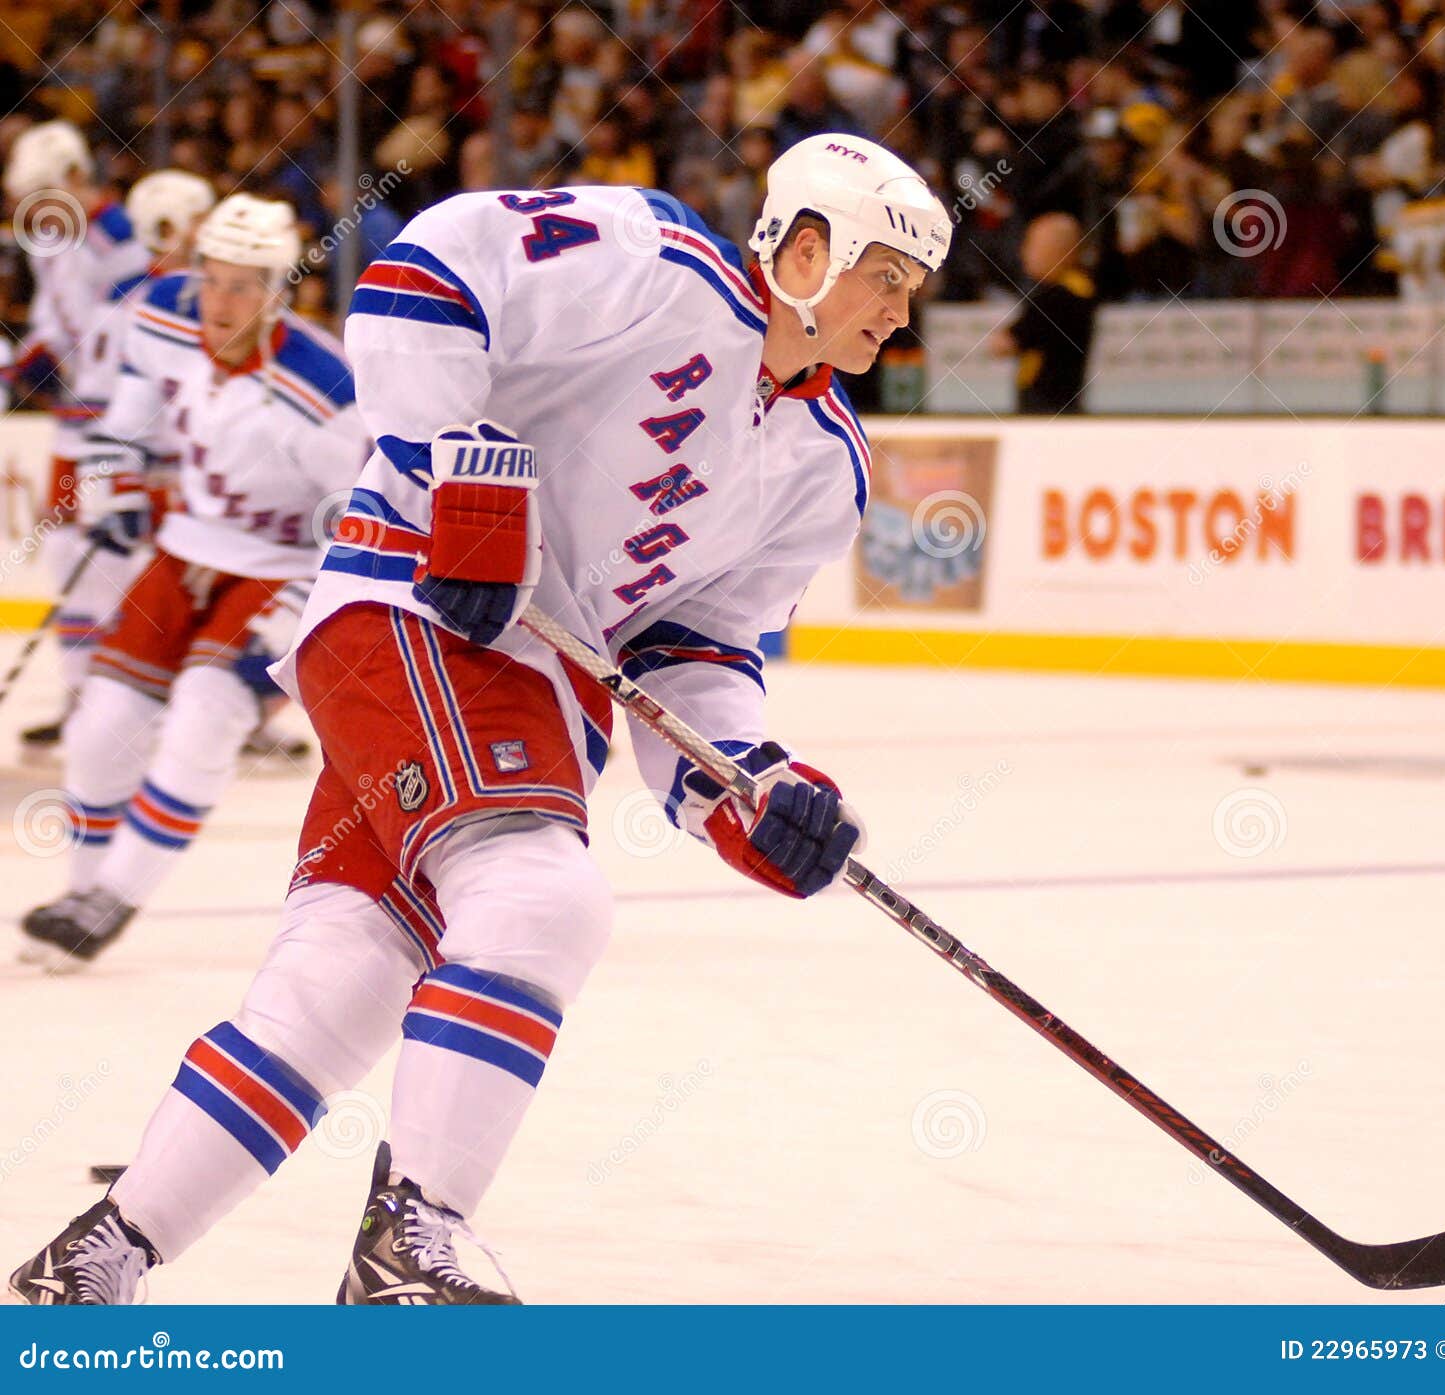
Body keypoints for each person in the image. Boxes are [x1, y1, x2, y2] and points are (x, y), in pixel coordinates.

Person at [9, 132, 952, 1305]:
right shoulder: (653, 261)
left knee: (335, 988)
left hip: (528, 689)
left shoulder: (824, 467)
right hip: (407, 611)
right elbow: (425, 277)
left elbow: (691, 653)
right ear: (804, 249)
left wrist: (744, 781)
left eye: (908, 293)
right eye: (886, 279)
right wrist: (460, 467)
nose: (897, 317)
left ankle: (94, 1257)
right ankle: (412, 1239)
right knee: (540, 896)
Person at [17, 193, 367, 972]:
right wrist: (120, 496)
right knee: (102, 720)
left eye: (245, 285)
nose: (221, 300)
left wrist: (315, 607)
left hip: (287, 567)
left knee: (207, 712)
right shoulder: (164, 314)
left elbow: (365, 511)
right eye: (214, 279)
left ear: (279, 288)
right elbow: (128, 415)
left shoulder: (325, 388)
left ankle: (112, 900)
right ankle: (77, 895)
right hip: (187, 549)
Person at [2, 121, 150, 747]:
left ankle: (133, 702)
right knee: (65, 553)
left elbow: (130, 337)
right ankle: (80, 699)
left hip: (120, 420)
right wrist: (15, 371)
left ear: (71, 178)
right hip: (74, 419)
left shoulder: (119, 234)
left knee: (118, 565)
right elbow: (54, 330)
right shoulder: (51, 239)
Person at [989, 212, 1096, 415]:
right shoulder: (1082, 290)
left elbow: (1005, 344)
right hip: (1064, 402)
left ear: (1057, 251)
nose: (1024, 253)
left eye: (1031, 245)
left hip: (1044, 406)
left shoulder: (1056, 298)